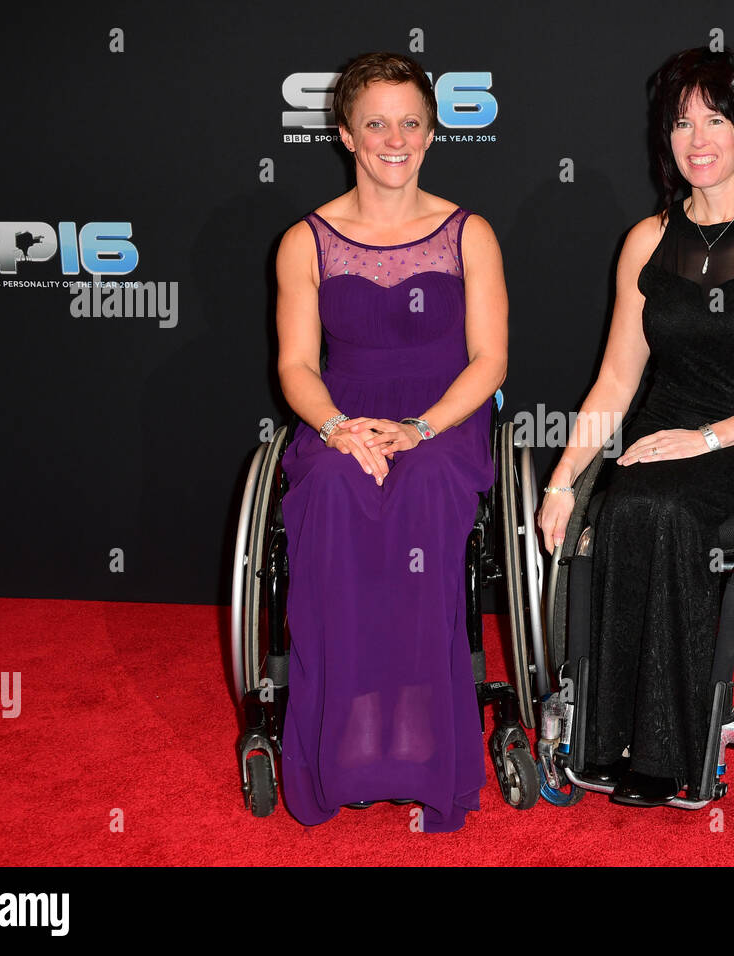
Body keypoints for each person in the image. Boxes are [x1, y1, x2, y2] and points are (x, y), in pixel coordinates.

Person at [536, 47, 734, 806]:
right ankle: (610, 737)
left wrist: (710, 438)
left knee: (665, 502)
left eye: (715, 119)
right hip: (665, 434)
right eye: (681, 123)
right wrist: (561, 482)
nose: (697, 138)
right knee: (630, 499)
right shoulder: (648, 242)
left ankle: (670, 750)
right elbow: (615, 380)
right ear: (664, 139)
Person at [275, 52, 507, 832]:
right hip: (341, 421)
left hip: (443, 420)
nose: (394, 137)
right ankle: (342, 749)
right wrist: (337, 427)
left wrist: (421, 427)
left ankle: (419, 746)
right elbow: (297, 366)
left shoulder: (468, 233)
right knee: (335, 489)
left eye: (410, 121)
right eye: (375, 122)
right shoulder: (305, 240)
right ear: (346, 134)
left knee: (420, 490)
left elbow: (492, 362)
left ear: (433, 132)